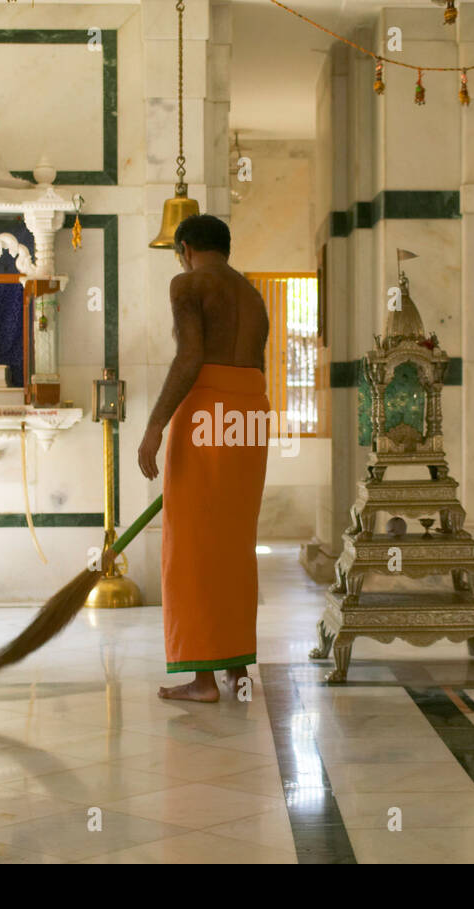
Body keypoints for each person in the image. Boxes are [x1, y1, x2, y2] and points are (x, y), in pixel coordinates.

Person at [137, 214, 270, 702]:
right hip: (252, 415)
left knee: (191, 545)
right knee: (234, 544)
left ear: (186, 247)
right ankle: (237, 673)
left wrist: (155, 425)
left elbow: (189, 357)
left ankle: (203, 681)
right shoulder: (253, 295)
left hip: (207, 414)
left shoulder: (187, 283)